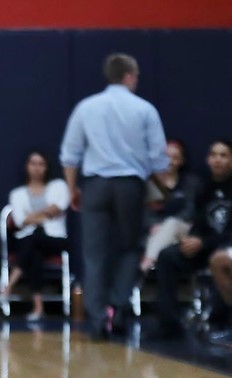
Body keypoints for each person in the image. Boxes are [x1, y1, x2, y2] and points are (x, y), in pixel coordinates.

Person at [60, 52, 169, 340]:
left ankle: (97, 321)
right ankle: (117, 308)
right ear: (130, 75)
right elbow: (159, 159)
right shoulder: (144, 109)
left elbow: (70, 155)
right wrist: (163, 188)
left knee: (94, 255)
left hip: (95, 184)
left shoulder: (87, 107)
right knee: (131, 249)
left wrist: (72, 189)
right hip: (130, 186)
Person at [153, 140, 232, 339]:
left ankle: (221, 321)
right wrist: (193, 238)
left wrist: (204, 242)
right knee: (167, 256)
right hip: (204, 246)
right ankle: (169, 324)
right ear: (207, 159)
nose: (218, 160)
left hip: (225, 247)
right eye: (214, 155)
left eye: (224, 155)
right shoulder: (203, 186)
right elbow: (198, 220)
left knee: (220, 259)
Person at [0, 151, 70, 321]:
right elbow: (20, 220)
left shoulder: (58, 186)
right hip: (30, 240)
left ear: (46, 167)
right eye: (33, 163)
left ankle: (9, 285)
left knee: (33, 241)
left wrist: (34, 216)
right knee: (34, 250)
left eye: (41, 164)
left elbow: (58, 208)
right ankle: (38, 308)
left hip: (55, 238)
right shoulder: (18, 193)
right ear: (27, 166)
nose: (37, 168)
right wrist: (45, 214)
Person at [140, 139, 203, 273]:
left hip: (183, 229)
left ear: (181, 161)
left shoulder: (191, 182)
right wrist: (154, 224)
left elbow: (191, 210)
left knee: (172, 223)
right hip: (155, 232)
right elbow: (145, 211)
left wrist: (165, 225)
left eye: (175, 158)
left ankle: (146, 263)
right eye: (166, 157)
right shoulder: (151, 183)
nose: (170, 161)